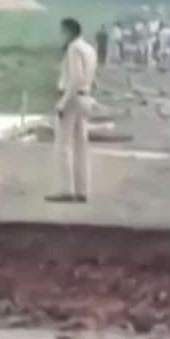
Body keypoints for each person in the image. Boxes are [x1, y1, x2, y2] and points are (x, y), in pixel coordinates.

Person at [46, 17, 98, 204]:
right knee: (81, 146)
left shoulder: (74, 48)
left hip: (73, 98)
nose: (61, 35)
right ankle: (82, 190)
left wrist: (62, 102)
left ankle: (66, 189)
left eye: (62, 31)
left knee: (63, 146)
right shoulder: (89, 48)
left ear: (68, 31)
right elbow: (89, 77)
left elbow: (75, 79)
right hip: (85, 97)